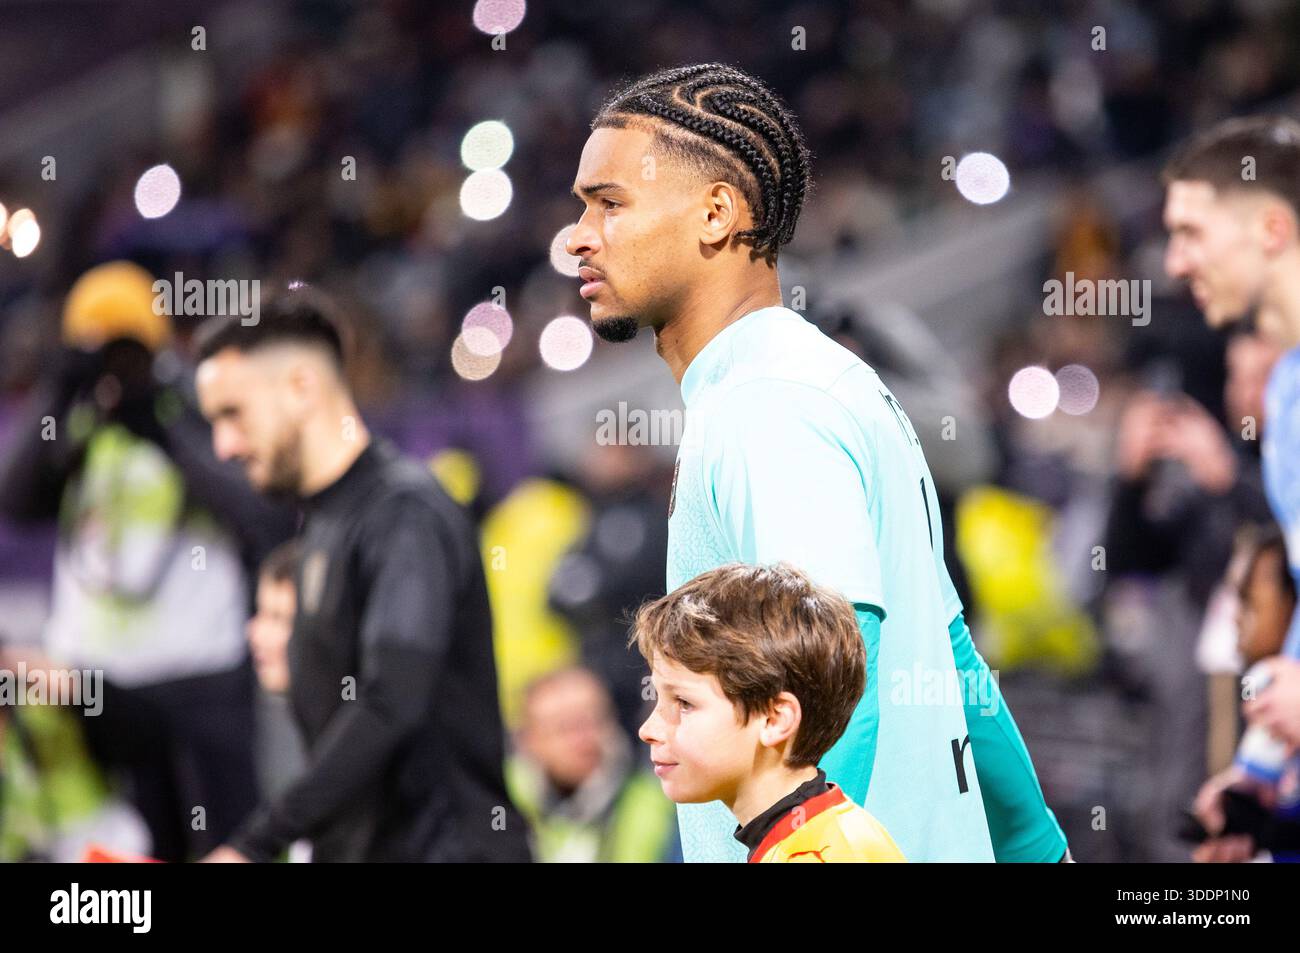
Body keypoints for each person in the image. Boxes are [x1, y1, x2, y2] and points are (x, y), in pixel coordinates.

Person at [566, 62, 1065, 862]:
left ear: (717, 213)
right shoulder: (820, 379)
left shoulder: (767, 405)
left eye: (609, 204)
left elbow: (840, 661)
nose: (577, 236)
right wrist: (1039, 849)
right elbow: (953, 669)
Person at [193, 286, 531, 862]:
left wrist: (253, 844)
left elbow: (390, 699)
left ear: (301, 387)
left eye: (233, 414)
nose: (223, 445)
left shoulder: (403, 514)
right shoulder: (327, 522)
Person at [0, 261, 294, 861]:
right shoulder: (76, 414)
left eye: (123, 344)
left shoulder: (196, 403)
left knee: (225, 842)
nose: (112, 360)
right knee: (127, 853)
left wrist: (164, 429)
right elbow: (17, 502)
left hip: (200, 666)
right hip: (99, 677)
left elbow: (263, 512)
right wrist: (59, 392)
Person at [1163, 116, 1300, 860]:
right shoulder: (1284, 396)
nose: (1176, 261)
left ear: (1271, 228)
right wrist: (1256, 774)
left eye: (1192, 232)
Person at [632, 562, 905, 863]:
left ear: (775, 720)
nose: (648, 729)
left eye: (684, 703)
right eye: (658, 698)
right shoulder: (820, 837)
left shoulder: (814, 856)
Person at [507, 667, 675, 862]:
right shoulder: (504, 798)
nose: (582, 739)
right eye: (564, 727)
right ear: (529, 740)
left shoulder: (649, 803)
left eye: (592, 721)